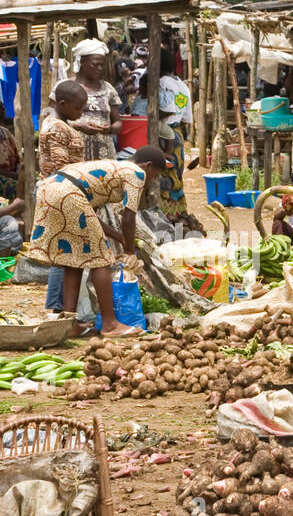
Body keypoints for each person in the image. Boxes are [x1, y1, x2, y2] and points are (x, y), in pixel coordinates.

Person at [29, 146, 168, 337]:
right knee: (101, 257)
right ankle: (110, 324)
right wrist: (128, 252)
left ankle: (69, 324)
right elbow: (129, 217)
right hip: (67, 194)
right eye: (154, 176)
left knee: (73, 258)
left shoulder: (114, 168)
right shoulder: (136, 172)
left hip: (49, 189)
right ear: (148, 166)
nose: (150, 181)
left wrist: (119, 237)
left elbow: (91, 215)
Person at [69, 38, 121, 161]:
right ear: (81, 62)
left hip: (104, 153)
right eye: (95, 64)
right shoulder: (65, 87)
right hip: (75, 152)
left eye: (102, 65)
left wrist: (110, 129)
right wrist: (77, 126)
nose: (100, 68)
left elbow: (118, 122)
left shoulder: (108, 89)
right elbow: (51, 118)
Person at [155, 47, 192, 220]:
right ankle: (179, 212)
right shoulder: (183, 86)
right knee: (176, 174)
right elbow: (186, 118)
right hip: (177, 134)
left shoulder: (161, 83)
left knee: (164, 176)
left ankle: (167, 215)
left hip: (164, 135)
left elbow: (166, 109)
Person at [40, 81, 86, 178]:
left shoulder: (58, 123)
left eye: (82, 108)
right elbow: (61, 167)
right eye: (77, 108)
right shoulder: (57, 128)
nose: (81, 112)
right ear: (63, 104)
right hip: (60, 186)